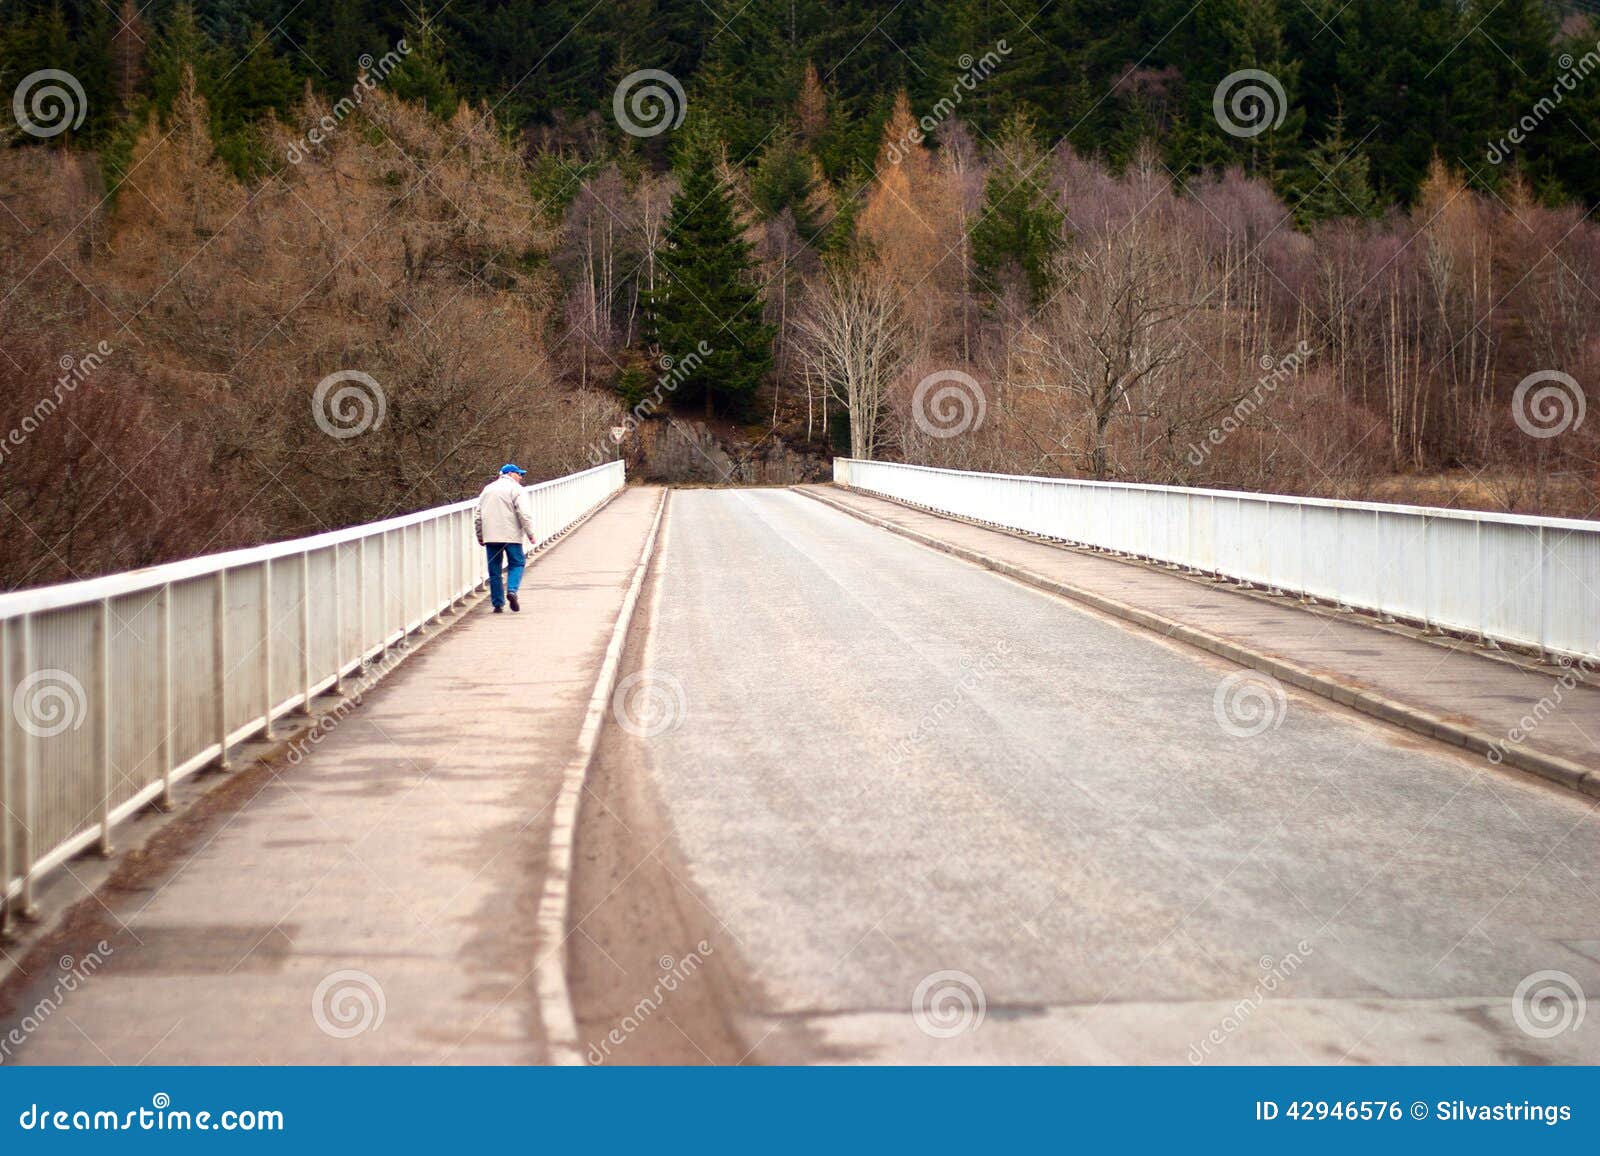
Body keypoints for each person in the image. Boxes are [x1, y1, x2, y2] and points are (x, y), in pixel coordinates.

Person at [475, 464, 538, 613]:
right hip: (511, 536)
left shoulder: (487, 489)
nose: (521, 477)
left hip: (491, 536)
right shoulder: (516, 489)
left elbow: (478, 515)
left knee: (494, 569)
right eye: (519, 474)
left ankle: (497, 603)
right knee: (517, 563)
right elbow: (524, 513)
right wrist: (530, 533)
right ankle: (512, 590)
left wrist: (480, 535)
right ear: (510, 474)